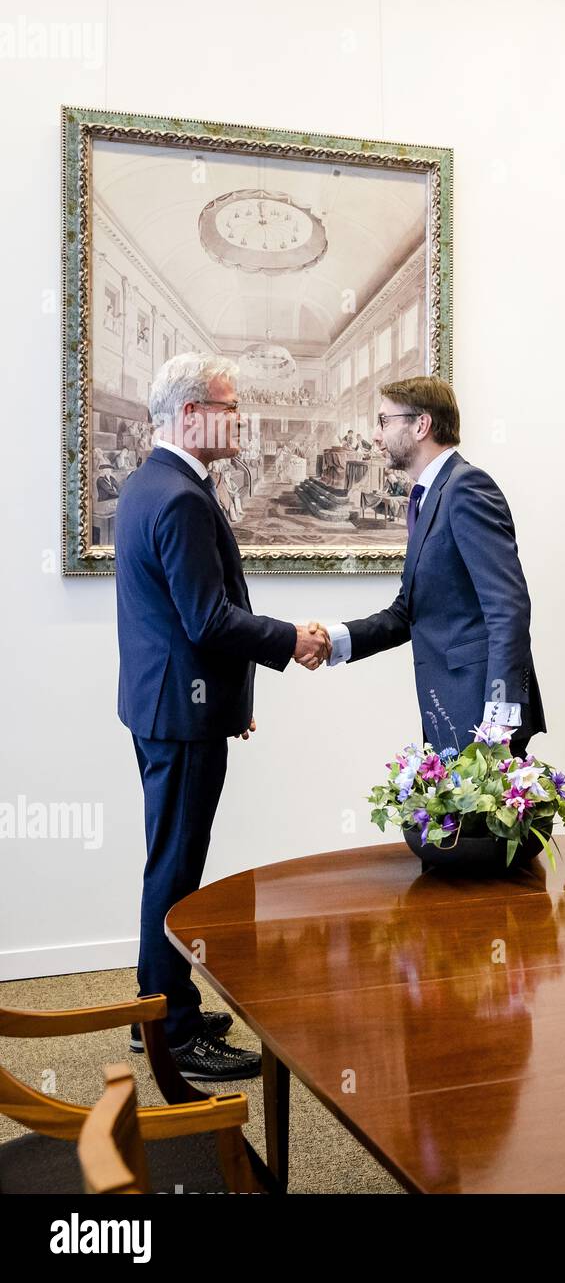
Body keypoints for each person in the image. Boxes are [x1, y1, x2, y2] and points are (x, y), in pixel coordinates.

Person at [114, 353, 331, 1080]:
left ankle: (161, 1003)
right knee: (174, 870)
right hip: (179, 712)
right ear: (188, 414)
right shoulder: (177, 496)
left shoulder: (158, 484)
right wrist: (291, 639)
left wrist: (226, 701)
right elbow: (208, 621)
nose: (241, 419)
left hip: (175, 705)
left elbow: (185, 625)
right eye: (230, 406)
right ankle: (170, 1029)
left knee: (170, 862)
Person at [318, 377, 543, 755]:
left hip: (483, 714)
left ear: (421, 425)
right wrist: (335, 640)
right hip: (449, 705)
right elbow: (407, 611)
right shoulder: (424, 498)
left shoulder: (467, 488)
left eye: (384, 420)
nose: (375, 435)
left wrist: (500, 712)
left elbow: (508, 606)